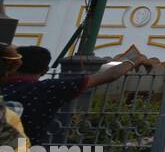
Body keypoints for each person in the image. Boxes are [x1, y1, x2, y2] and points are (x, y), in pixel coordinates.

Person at [5, 46, 153, 145]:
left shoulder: (7, 87)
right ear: (44, 70)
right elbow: (111, 74)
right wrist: (136, 60)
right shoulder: (48, 89)